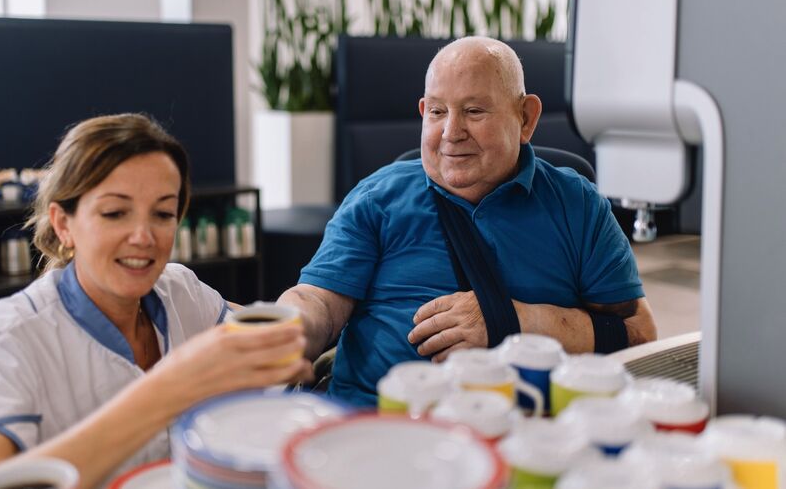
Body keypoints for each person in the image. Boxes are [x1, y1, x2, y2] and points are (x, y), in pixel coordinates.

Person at [0, 114, 308, 489]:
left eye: (162, 213)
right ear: (63, 223)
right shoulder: (7, 339)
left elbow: (262, 329)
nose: (143, 236)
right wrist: (170, 388)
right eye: (115, 213)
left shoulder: (180, 290)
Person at [278, 36, 657, 408]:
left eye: (474, 111)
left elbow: (641, 336)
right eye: (438, 112)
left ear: (526, 118)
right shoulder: (377, 198)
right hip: (376, 423)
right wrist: (282, 329)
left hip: (521, 434)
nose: (451, 132)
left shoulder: (578, 205)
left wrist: (513, 320)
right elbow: (318, 301)